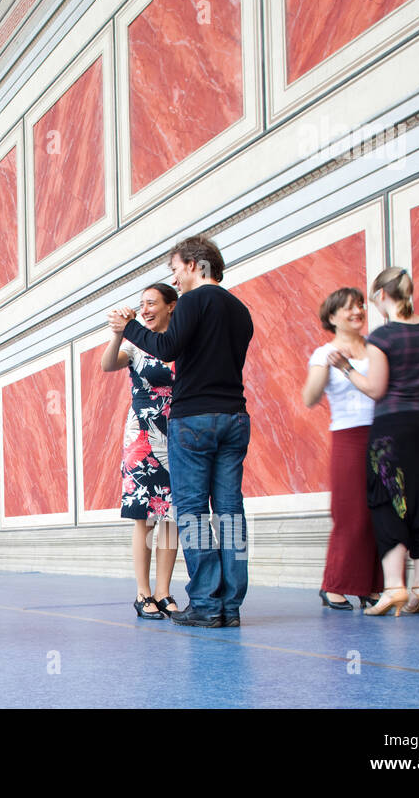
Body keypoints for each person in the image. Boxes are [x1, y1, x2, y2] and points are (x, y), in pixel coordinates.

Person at [116, 235, 253, 628]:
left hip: (194, 419)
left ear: (195, 265)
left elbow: (168, 347)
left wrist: (129, 326)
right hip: (235, 418)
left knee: (191, 511)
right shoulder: (240, 310)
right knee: (230, 512)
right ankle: (231, 605)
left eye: (175, 269)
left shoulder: (194, 300)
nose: (174, 279)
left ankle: (208, 604)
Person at [330, 267, 419, 617]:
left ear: (381, 295)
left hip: (391, 428)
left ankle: (394, 587)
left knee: (391, 501)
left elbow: (377, 389)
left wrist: (348, 369)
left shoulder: (383, 338)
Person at [302, 288, 384, 611]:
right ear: (333, 317)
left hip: (382, 436)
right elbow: (309, 399)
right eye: (349, 308)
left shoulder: (376, 347)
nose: (358, 312)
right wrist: (327, 368)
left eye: (360, 306)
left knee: (380, 512)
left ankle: (372, 585)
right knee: (351, 513)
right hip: (348, 437)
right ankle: (334, 585)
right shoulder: (324, 353)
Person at [103, 283, 180, 620]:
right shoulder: (137, 343)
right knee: (143, 518)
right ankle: (143, 592)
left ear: (171, 306)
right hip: (142, 437)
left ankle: (163, 591)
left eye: (152, 303)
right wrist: (118, 334)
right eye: (142, 303)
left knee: (171, 517)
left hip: (177, 433)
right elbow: (107, 364)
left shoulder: (180, 342)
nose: (146, 309)